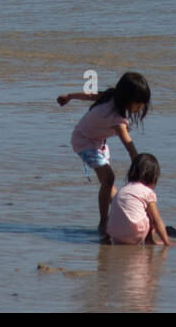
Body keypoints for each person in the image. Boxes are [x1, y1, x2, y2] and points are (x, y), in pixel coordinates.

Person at [58, 72, 151, 236]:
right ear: (126, 99)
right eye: (139, 103)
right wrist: (140, 165)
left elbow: (91, 95)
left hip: (99, 144)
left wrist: (69, 96)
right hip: (83, 141)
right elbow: (129, 145)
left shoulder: (112, 96)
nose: (141, 107)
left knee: (109, 185)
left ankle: (121, 214)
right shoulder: (117, 117)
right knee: (108, 178)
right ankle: (103, 222)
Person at [105, 153, 172, 246]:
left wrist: (107, 237)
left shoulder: (122, 190)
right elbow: (157, 220)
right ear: (153, 176)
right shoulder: (147, 192)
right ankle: (149, 241)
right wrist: (167, 242)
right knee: (150, 213)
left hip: (115, 235)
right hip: (135, 234)